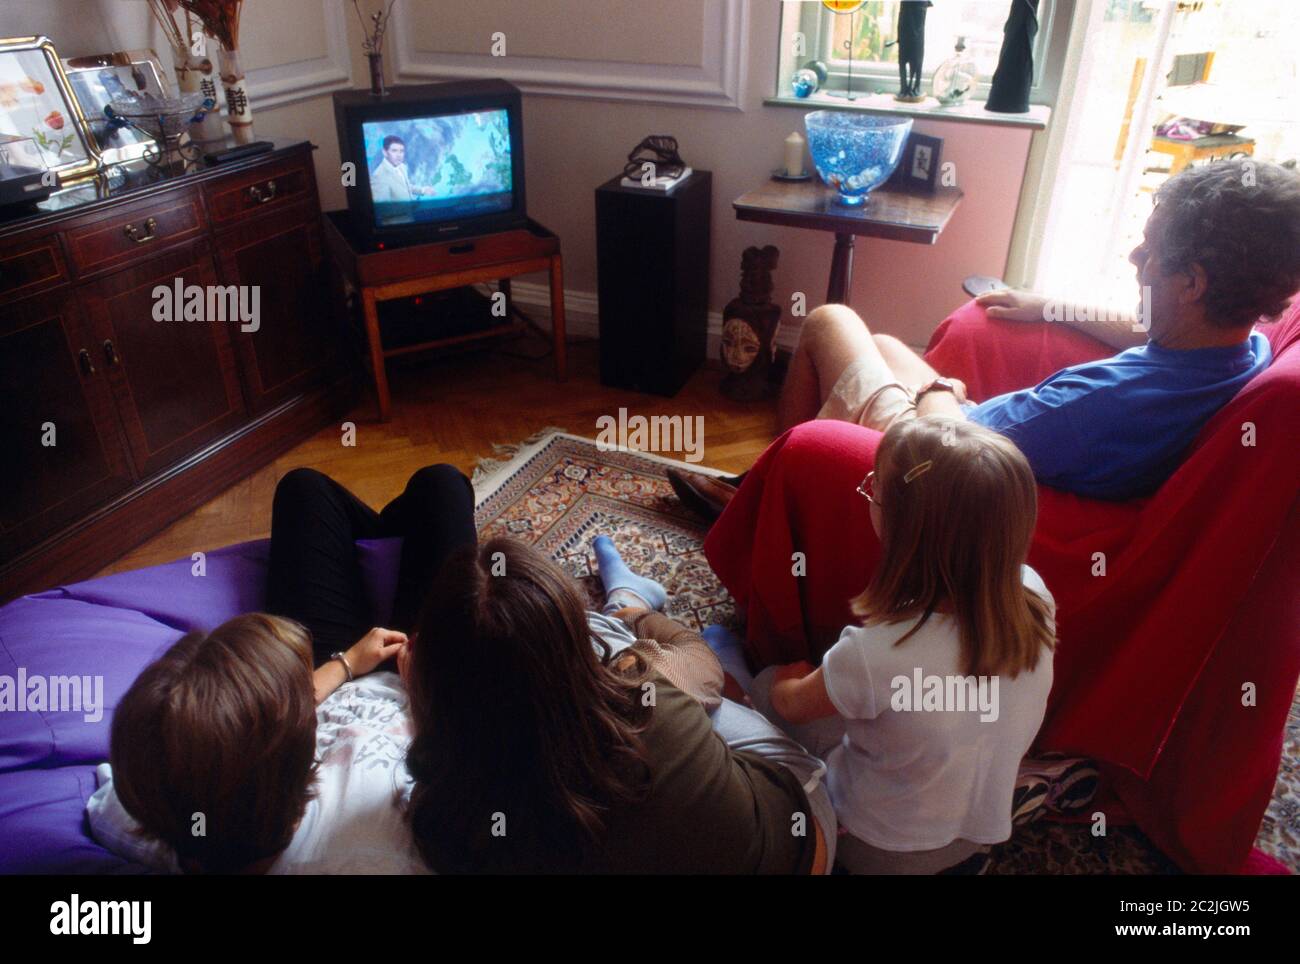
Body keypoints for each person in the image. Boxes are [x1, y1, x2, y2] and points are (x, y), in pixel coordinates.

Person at [669, 159, 1300, 512]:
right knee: (887, 347)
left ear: (1191, 283)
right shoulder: (1242, 349)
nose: (1136, 256)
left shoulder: (1103, 406)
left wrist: (939, 389)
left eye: (1152, 251)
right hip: (978, 432)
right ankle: (765, 490)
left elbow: (946, 446)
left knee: (829, 322)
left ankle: (758, 503)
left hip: (941, 459)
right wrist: (1047, 306)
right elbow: (1141, 325)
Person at [404, 535, 838, 874]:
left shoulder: (447, 821)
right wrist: (629, 627)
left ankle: (625, 605)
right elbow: (697, 661)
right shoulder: (647, 701)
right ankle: (627, 605)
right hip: (800, 851)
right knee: (646, 656)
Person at [745, 417, 1058, 874]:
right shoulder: (1035, 596)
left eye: (875, 489)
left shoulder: (876, 653)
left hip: (877, 848)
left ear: (902, 527)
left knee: (757, 699)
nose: (868, 490)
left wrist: (780, 683)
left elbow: (791, 707)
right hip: (975, 838)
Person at [370, 134, 436, 202]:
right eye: (394, 151)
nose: (399, 155)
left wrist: (423, 190)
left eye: (401, 151)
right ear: (385, 152)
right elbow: (383, 209)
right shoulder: (379, 177)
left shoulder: (401, 166)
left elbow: (404, 186)